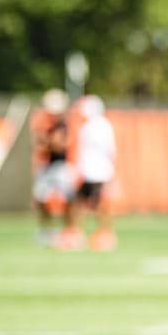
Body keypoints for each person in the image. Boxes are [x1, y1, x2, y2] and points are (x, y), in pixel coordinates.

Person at [60, 94, 117, 252]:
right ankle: (78, 232)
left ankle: (105, 234)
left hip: (97, 172)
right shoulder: (91, 126)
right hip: (89, 171)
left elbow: (109, 151)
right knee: (79, 202)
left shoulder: (100, 126)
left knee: (97, 204)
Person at [31, 88, 74, 246]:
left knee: (69, 199)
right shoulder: (42, 122)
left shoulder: (65, 123)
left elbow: (60, 144)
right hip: (46, 165)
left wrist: (49, 143)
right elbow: (40, 144)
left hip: (61, 165)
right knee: (40, 199)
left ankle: (70, 231)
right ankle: (46, 231)